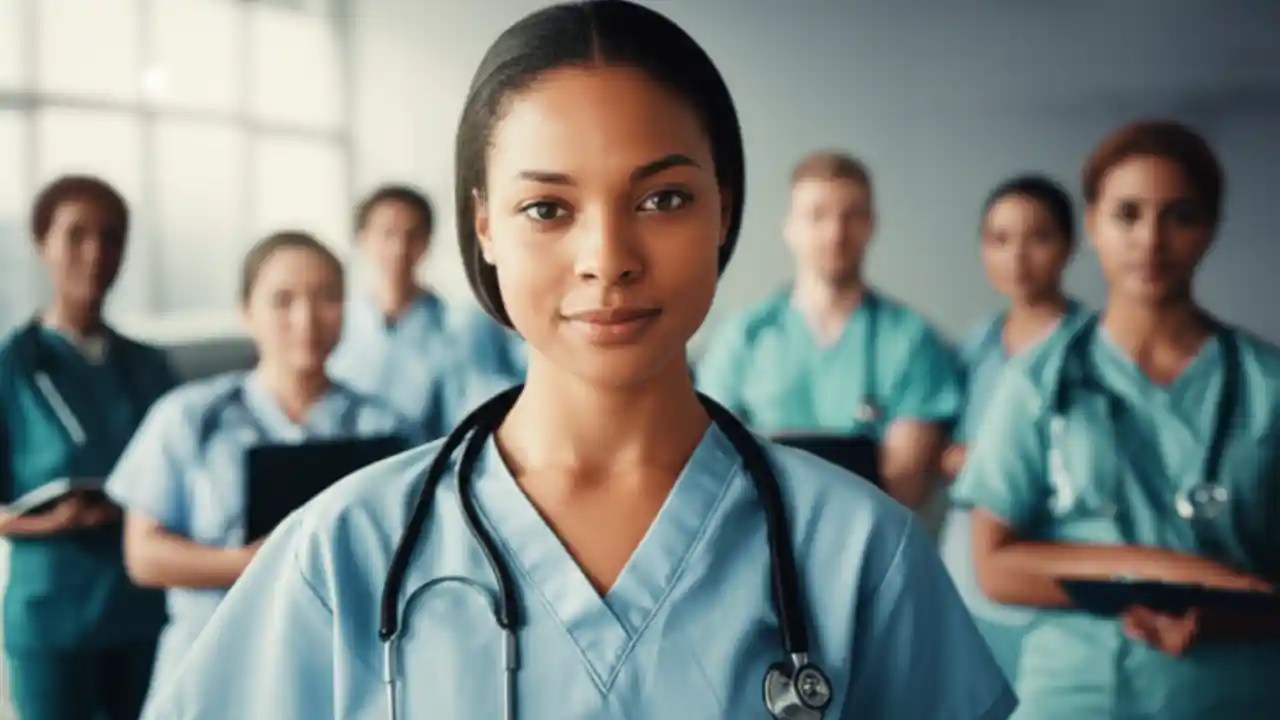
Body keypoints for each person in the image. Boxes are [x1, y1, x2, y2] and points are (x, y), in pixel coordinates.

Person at [140, 3, 1015, 718]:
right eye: (547, 209)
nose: (608, 257)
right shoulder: (342, 553)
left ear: (725, 210)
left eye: (662, 198)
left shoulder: (861, 554)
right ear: (482, 225)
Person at [952, 120, 1280, 718]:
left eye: (1179, 215)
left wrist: (1218, 611)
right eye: (1127, 214)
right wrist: (1168, 569)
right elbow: (995, 566)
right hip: (1078, 692)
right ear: (1095, 225)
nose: (1151, 240)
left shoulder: (1268, 386)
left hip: (1235, 691)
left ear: (1209, 228)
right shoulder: (1037, 380)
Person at [104, 231, 411, 708]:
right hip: (209, 668)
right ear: (247, 310)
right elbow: (144, 555)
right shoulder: (190, 418)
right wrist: (256, 563)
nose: (306, 319)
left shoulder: (387, 427)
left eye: (327, 297)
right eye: (283, 300)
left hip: (336, 670)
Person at [696, 151, 962, 509]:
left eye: (851, 215)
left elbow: (904, 484)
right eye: (817, 215)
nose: (835, 232)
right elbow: (714, 462)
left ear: (871, 224)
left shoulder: (912, 342)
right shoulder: (744, 338)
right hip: (758, 540)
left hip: (870, 542)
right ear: (790, 228)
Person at [0, 176, 173, 719]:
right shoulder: (14, 367)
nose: (95, 253)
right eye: (75, 235)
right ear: (41, 243)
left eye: (111, 236)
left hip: (138, 605)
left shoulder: (150, 368)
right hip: (50, 609)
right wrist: (49, 523)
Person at [937, 175, 1087, 683]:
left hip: (1055, 551)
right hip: (966, 561)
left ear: (1069, 245)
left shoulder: (1091, 347)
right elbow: (941, 450)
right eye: (1000, 239)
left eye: (1038, 237)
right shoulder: (975, 347)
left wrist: (983, 462)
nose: (1018, 256)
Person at [328, 185, 524, 439]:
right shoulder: (336, 323)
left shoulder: (460, 326)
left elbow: (482, 400)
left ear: (427, 243)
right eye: (388, 234)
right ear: (362, 239)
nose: (400, 248)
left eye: (412, 235)